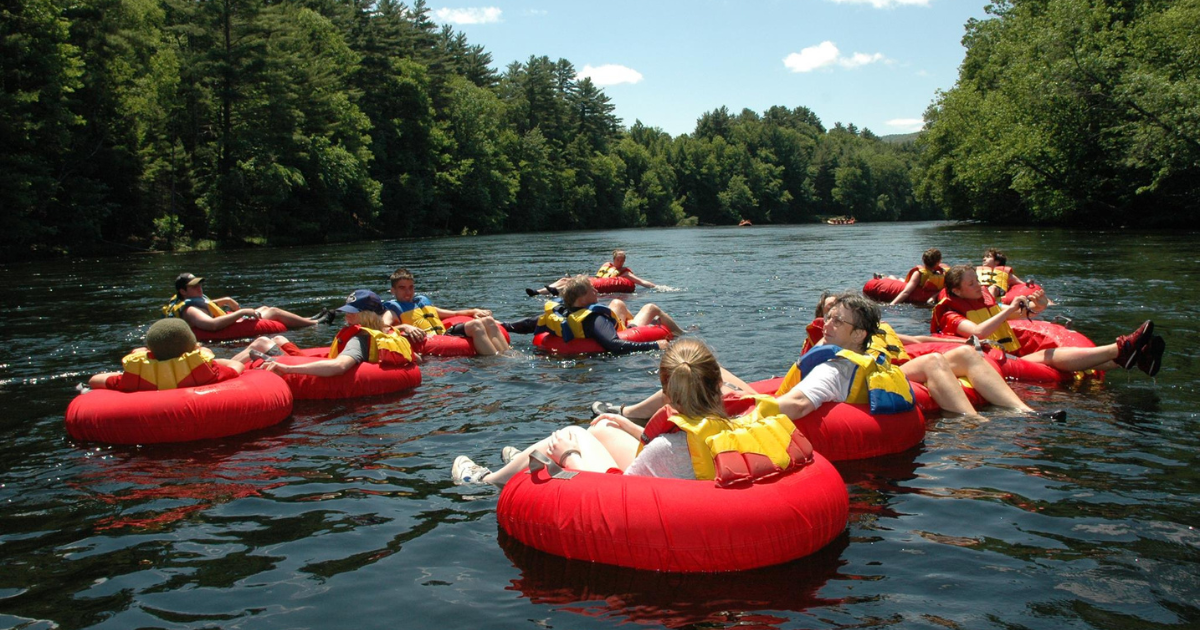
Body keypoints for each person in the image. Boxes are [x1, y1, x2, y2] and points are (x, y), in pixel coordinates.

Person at [451, 338, 811, 485]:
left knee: (572, 435)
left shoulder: (666, 450)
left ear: (667, 388)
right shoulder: (740, 418)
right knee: (605, 426)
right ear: (718, 383)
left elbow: (619, 493)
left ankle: (486, 481)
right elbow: (692, 447)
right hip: (686, 470)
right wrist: (626, 423)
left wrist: (571, 457)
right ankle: (524, 458)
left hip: (647, 487)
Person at [933, 265, 1165, 376]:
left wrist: (1039, 306)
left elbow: (1018, 315)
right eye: (971, 284)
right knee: (1048, 355)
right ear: (957, 291)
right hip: (988, 363)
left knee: (1058, 357)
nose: (978, 286)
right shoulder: (949, 314)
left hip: (1008, 356)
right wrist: (1007, 310)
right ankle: (1122, 346)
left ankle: (1137, 357)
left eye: (977, 280)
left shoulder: (983, 300)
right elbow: (978, 332)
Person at [234, 290, 414, 377]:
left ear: (367, 314)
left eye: (353, 311)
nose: (347, 314)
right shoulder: (385, 332)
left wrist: (288, 368)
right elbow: (415, 358)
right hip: (322, 360)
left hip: (317, 372)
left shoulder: (360, 338)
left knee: (261, 343)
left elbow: (339, 366)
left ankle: (225, 371)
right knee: (279, 338)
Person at [504, 275, 683, 354]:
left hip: (610, 324)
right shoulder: (594, 319)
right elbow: (614, 345)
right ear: (582, 297)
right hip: (626, 331)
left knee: (617, 303)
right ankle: (682, 334)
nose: (596, 290)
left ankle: (631, 318)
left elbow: (528, 324)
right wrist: (654, 345)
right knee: (651, 307)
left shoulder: (561, 311)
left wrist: (502, 325)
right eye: (592, 290)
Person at [87, 318, 245, 391]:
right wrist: (211, 359)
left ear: (150, 351)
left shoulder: (135, 377)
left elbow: (94, 381)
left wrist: (123, 373)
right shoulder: (207, 371)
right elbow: (237, 366)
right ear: (193, 347)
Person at [380, 268, 510, 356]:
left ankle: (509, 354)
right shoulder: (392, 311)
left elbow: (453, 314)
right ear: (393, 291)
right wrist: (405, 326)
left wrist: (474, 311)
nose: (408, 292)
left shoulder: (421, 303)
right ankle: (497, 360)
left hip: (445, 335)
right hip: (432, 340)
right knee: (476, 325)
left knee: (488, 320)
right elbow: (382, 328)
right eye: (402, 288)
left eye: (411, 287)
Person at [163, 272, 333, 332]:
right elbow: (212, 325)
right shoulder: (190, 310)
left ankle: (310, 319)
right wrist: (241, 312)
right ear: (183, 292)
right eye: (194, 286)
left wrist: (225, 300)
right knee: (273, 311)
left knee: (265, 308)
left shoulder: (189, 301)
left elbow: (207, 305)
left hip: (227, 322)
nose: (199, 287)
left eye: (199, 284)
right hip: (223, 328)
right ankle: (314, 324)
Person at [525, 250, 657, 296]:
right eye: (618, 259)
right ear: (613, 259)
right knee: (564, 279)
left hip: (596, 285)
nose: (620, 262)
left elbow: (641, 282)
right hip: (595, 280)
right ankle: (538, 292)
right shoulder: (607, 265)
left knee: (570, 283)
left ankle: (557, 291)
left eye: (622, 260)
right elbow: (598, 277)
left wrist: (656, 287)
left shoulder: (625, 273)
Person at [876, 248, 950, 306]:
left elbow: (948, 288)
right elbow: (906, 292)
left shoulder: (942, 273)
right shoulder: (919, 273)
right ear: (939, 261)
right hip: (910, 286)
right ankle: (883, 277)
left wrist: (934, 296)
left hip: (911, 284)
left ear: (923, 260)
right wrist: (892, 304)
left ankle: (887, 276)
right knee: (897, 280)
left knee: (900, 279)